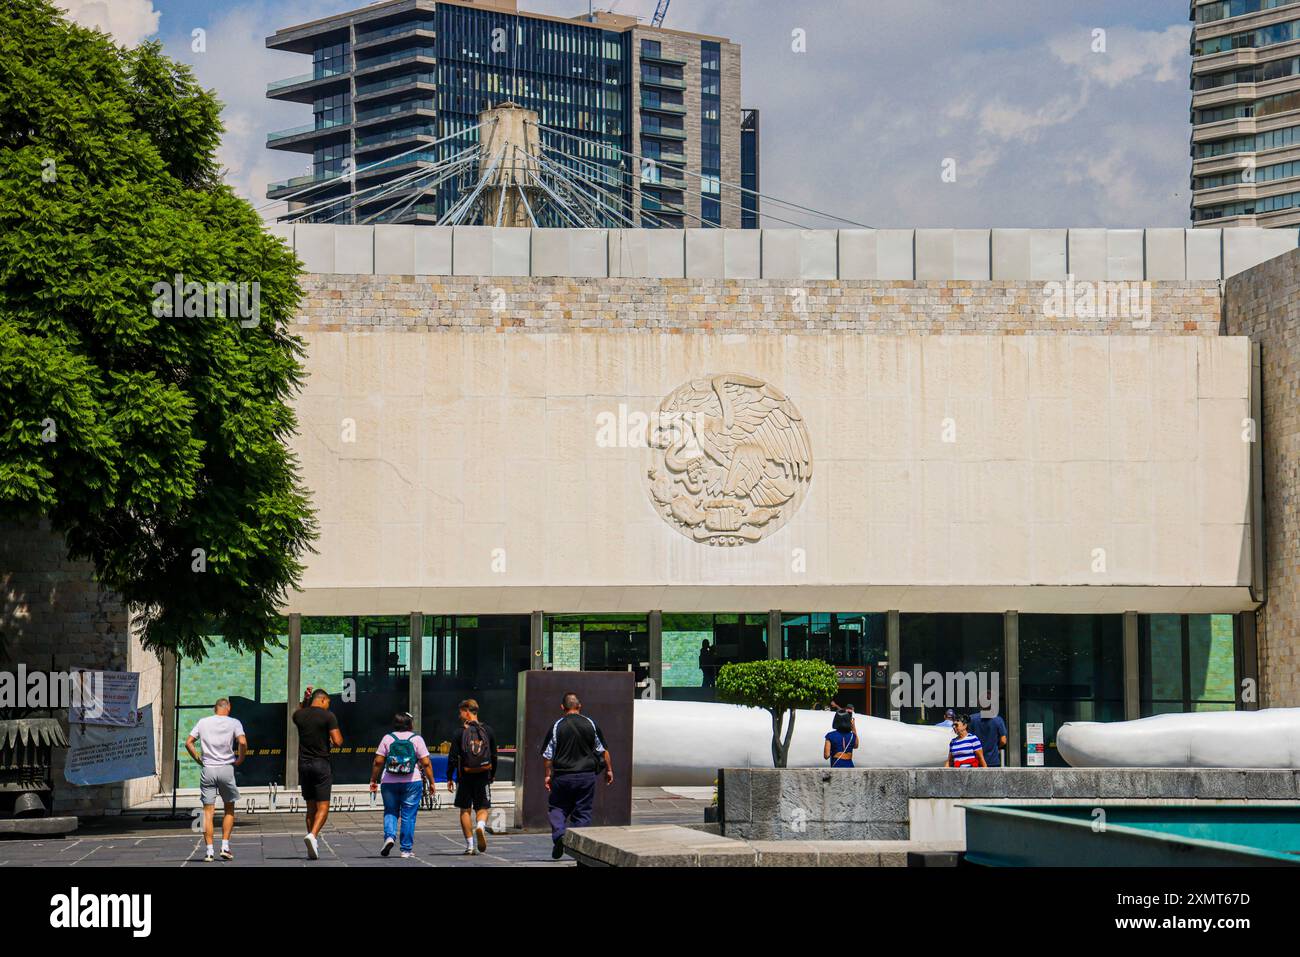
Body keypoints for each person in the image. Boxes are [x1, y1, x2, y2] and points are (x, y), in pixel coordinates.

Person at [541, 691, 613, 861]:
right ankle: (577, 848)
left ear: (562, 707)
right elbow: (603, 750)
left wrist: (548, 775)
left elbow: (547, 755)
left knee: (557, 807)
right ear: (579, 706)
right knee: (583, 812)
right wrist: (609, 770)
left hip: (562, 776)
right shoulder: (590, 724)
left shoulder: (557, 726)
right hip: (586, 776)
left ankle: (559, 836)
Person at [185, 698, 247, 862]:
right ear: (229, 708)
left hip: (208, 769)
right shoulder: (234, 722)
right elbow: (242, 741)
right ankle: (225, 846)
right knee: (229, 808)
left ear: (214, 709)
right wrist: (240, 758)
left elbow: (188, 742)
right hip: (226, 768)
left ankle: (209, 851)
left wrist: (198, 759)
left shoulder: (203, 722)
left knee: (207, 812)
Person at [369, 712, 437, 859]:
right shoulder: (416, 739)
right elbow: (426, 763)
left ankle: (389, 837)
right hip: (412, 782)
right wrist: (432, 782)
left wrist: (373, 780)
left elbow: (378, 762)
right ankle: (406, 850)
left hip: (389, 781)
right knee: (408, 816)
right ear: (410, 725)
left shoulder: (387, 738)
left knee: (390, 811)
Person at [292, 686, 342, 860]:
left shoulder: (299, 715)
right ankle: (313, 835)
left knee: (310, 807)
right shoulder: (328, 716)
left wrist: (305, 700)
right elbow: (337, 741)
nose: (328, 705)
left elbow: (299, 711)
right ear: (322, 699)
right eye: (328, 702)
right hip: (321, 764)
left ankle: (311, 841)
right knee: (323, 806)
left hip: (304, 765)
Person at [446, 699, 497, 856]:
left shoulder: (459, 732)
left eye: (461, 711)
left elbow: (453, 757)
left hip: (465, 775)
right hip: (483, 774)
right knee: (483, 807)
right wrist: (492, 774)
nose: (459, 715)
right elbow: (494, 755)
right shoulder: (487, 730)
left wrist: (449, 776)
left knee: (465, 810)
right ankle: (480, 825)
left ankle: (469, 846)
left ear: (467, 711)